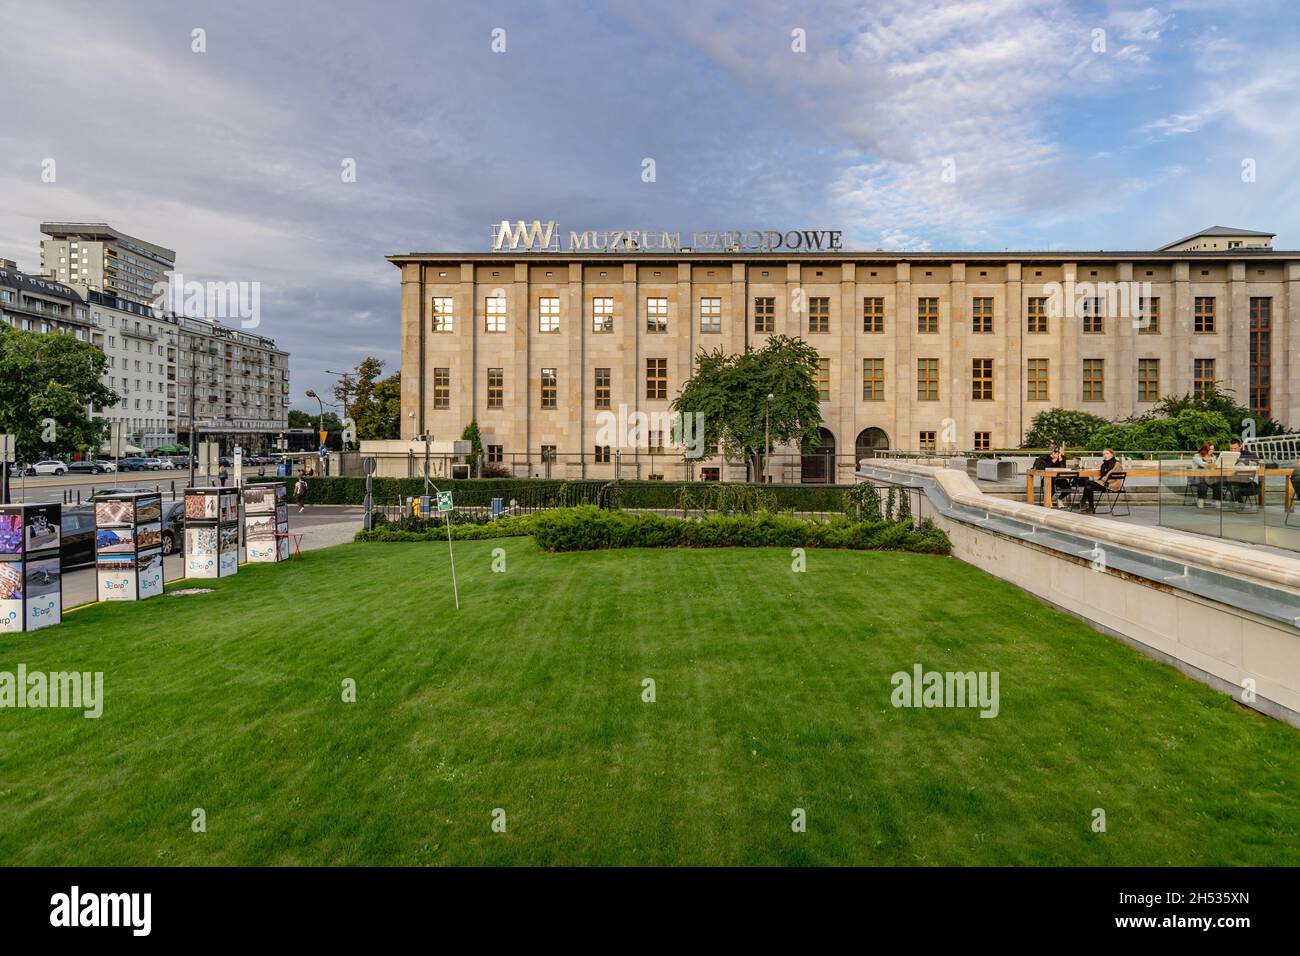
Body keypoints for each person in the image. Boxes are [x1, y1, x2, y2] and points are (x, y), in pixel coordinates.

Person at [1078, 448, 1120, 513]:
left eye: (1107, 453)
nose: (1105, 455)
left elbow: (1112, 476)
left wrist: (1102, 480)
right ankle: (1091, 507)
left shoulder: (1117, 464)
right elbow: (1104, 473)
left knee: (1088, 482)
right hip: (1103, 483)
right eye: (1104, 454)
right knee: (1089, 487)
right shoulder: (1104, 464)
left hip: (1111, 485)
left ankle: (1083, 501)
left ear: (1112, 454)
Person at [1226, 438, 1259, 505]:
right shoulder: (1227, 455)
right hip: (1232, 479)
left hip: (1245, 480)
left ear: (1240, 446)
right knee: (1233, 485)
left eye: (1235, 448)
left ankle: (1237, 502)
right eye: (1231, 448)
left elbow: (1258, 461)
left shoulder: (1246, 454)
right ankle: (1240, 503)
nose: (1233, 450)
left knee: (1234, 486)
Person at [1192, 442, 1222, 508]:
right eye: (1210, 449)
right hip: (1198, 477)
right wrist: (1213, 464)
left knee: (1218, 483)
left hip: (1210, 477)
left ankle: (1216, 500)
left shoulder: (1213, 457)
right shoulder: (1197, 456)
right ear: (1205, 449)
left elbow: (1216, 467)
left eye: (1213, 449)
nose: (1212, 451)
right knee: (1202, 482)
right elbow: (1202, 464)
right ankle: (1201, 500)